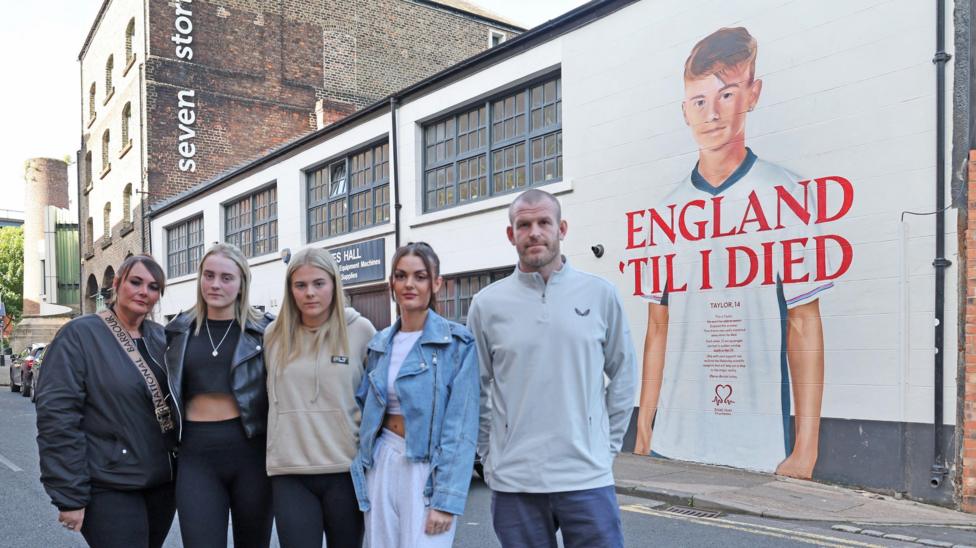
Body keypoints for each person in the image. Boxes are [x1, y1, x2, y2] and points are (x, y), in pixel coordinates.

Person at [633, 27, 831, 479]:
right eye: (699, 101)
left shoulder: (787, 193)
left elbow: (804, 321)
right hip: (671, 445)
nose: (713, 113)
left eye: (727, 94)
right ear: (684, 110)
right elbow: (657, 329)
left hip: (763, 453)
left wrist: (805, 452)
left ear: (753, 94)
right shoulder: (666, 211)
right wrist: (644, 433)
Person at [467, 189, 637, 548]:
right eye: (523, 224)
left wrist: (605, 449)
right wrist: (490, 457)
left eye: (544, 222)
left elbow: (623, 375)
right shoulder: (486, 305)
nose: (534, 232)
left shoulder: (600, 294)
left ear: (561, 228)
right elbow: (475, 389)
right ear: (511, 234)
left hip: (586, 477)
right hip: (515, 481)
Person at [36, 254, 177, 548]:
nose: (144, 292)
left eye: (153, 287)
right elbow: (57, 420)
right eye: (135, 282)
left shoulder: (160, 337)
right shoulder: (80, 335)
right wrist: (69, 496)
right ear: (117, 284)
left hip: (162, 484)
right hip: (109, 484)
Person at [350, 242, 479, 548]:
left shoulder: (458, 344)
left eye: (420, 277)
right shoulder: (379, 344)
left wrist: (446, 500)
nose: (410, 284)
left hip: (426, 468)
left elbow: (461, 427)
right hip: (381, 461)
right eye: (401, 275)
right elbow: (364, 408)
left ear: (436, 283)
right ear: (391, 284)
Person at [164, 243, 275, 548]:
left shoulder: (266, 332)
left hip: (251, 455)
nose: (215, 284)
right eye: (209, 275)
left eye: (226, 278)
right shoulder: (176, 331)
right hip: (196, 457)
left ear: (241, 284)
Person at [264, 247, 376, 548]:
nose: (309, 293)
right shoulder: (272, 335)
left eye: (318, 283)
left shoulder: (361, 330)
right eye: (300, 285)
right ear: (290, 290)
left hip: (345, 472)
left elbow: (376, 403)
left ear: (334, 284)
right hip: (290, 472)